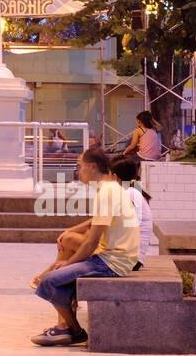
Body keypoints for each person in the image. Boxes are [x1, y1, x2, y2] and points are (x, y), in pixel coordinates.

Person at [30, 148, 140, 346]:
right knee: (64, 261)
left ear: (92, 167)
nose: (77, 171)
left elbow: (92, 242)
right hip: (115, 258)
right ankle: (65, 326)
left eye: (79, 166)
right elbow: (94, 228)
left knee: (48, 281)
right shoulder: (111, 189)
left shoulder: (106, 193)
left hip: (111, 264)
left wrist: (67, 264)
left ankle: (74, 330)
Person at [111, 157, 153, 270]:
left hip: (130, 259)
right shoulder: (133, 191)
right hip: (132, 258)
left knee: (72, 241)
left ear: (115, 177)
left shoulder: (130, 193)